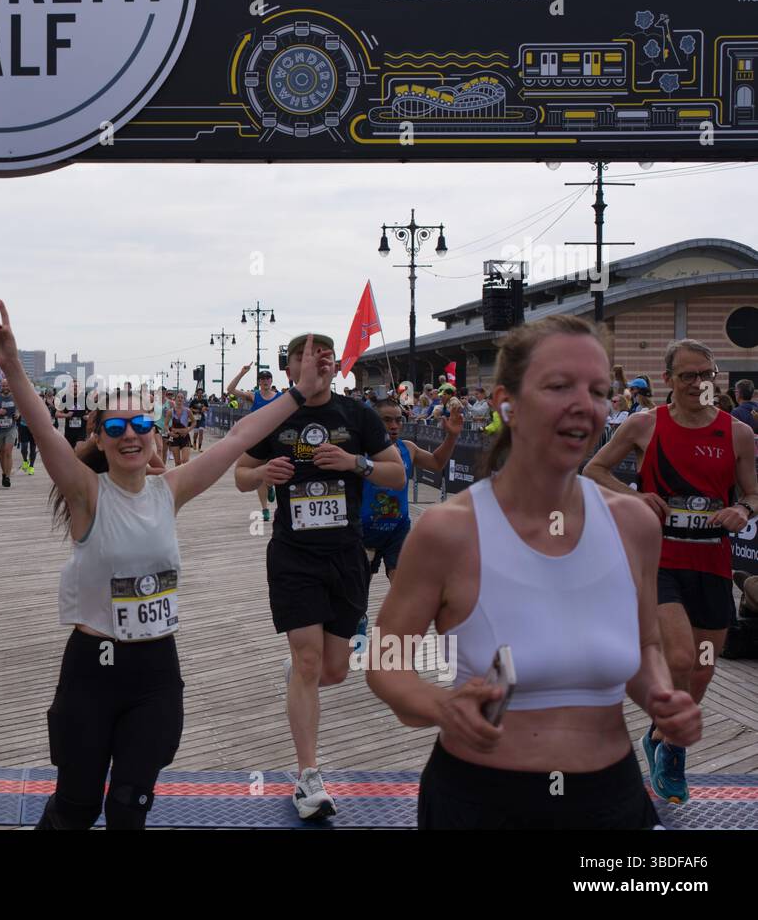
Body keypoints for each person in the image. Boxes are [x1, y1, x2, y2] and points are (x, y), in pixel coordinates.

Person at [0, 301, 329, 829]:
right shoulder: (85, 493)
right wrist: (10, 366)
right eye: (116, 424)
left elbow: (239, 437)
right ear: (98, 436)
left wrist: (299, 394)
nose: (130, 433)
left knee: (129, 807)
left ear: (155, 433)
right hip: (92, 669)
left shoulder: (170, 490)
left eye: (141, 422)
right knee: (76, 807)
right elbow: (47, 432)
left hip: (155, 673)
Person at [368, 316, 703, 828]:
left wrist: (662, 697)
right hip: (481, 802)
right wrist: (443, 706)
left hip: (611, 798)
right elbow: (385, 660)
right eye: (559, 385)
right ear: (508, 404)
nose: (583, 404)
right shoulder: (448, 531)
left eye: (596, 390)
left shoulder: (634, 524)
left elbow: (645, 647)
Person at [234, 334, 405, 820]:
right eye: (307, 358)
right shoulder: (277, 416)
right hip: (293, 555)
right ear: (291, 368)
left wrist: (355, 462)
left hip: (346, 555)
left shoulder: (357, 416)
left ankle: (300, 679)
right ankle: (309, 777)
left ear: (335, 367)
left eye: (326, 357)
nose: (318, 363)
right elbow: (240, 474)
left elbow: (396, 474)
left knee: (332, 669)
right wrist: (265, 470)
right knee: (309, 661)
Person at [584, 338, 757, 804]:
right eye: (687, 375)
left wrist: (743, 508)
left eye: (706, 374)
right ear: (668, 381)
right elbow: (593, 470)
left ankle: (663, 738)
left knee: (701, 667)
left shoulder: (737, 433)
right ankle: (676, 749)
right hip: (658, 559)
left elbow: (753, 494)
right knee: (680, 658)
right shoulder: (645, 425)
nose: (699, 383)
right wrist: (633, 494)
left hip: (713, 561)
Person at [361, 396, 462, 582]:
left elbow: (436, 463)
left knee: (402, 585)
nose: (394, 425)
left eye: (399, 420)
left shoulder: (408, 448)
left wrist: (452, 436)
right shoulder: (359, 451)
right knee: (359, 594)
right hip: (364, 531)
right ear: (373, 421)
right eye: (387, 420)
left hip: (398, 529)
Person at [228, 363, 282, 522]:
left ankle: (270, 485)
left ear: (271, 380)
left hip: (276, 440)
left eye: (267, 378)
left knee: (275, 471)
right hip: (258, 439)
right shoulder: (254, 396)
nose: (265, 381)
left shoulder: (280, 397)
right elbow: (230, 390)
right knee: (260, 472)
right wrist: (242, 372)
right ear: (259, 382)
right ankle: (265, 509)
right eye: (262, 379)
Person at [0, 378, 20, 488]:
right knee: (1, 453)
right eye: (4, 386)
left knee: (8, 451)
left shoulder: (15, 398)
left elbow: (20, 409)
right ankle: (4, 473)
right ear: (1, 386)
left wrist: (17, 414)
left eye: (7, 386)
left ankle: (8, 477)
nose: (5, 388)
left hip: (11, 428)